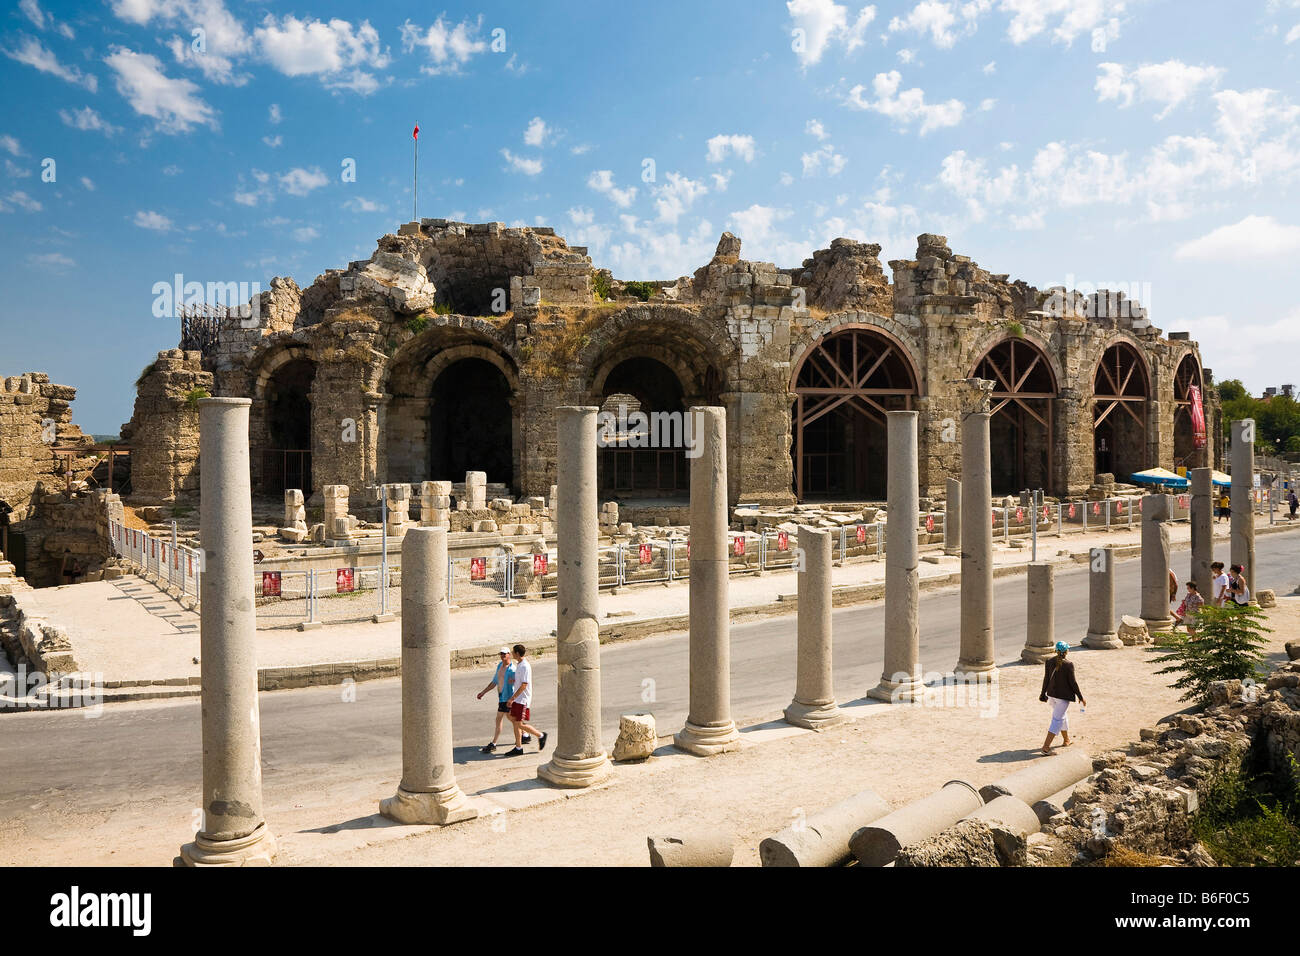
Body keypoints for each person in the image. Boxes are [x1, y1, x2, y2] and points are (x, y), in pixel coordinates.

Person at [1039, 641, 1085, 756]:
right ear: (1066, 652)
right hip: (1062, 698)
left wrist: (1042, 693)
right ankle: (1045, 747)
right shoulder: (1069, 664)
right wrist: (1081, 697)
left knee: (1061, 716)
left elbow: (1046, 679)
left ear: (1056, 651)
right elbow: (1073, 683)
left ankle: (1066, 740)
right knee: (1057, 720)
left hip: (1051, 695)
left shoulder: (1049, 661)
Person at [503, 644, 547, 757]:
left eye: (513, 652)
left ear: (517, 653)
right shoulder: (520, 664)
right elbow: (520, 681)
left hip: (522, 700)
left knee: (518, 724)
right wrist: (514, 680)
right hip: (518, 699)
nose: (512, 653)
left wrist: (512, 698)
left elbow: (524, 685)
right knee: (511, 718)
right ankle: (518, 746)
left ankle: (540, 735)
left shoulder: (525, 666)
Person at [477, 648, 517, 753]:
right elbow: (494, 682)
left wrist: (512, 698)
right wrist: (483, 692)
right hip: (502, 697)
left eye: (505, 654)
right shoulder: (500, 666)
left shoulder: (512, 669)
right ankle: (526, 734)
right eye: (501, 654)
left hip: (507, 699)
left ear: (509, 655)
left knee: (499, 718)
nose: (503, 655)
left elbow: (519, 684)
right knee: (512, 719)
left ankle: (493, 743)